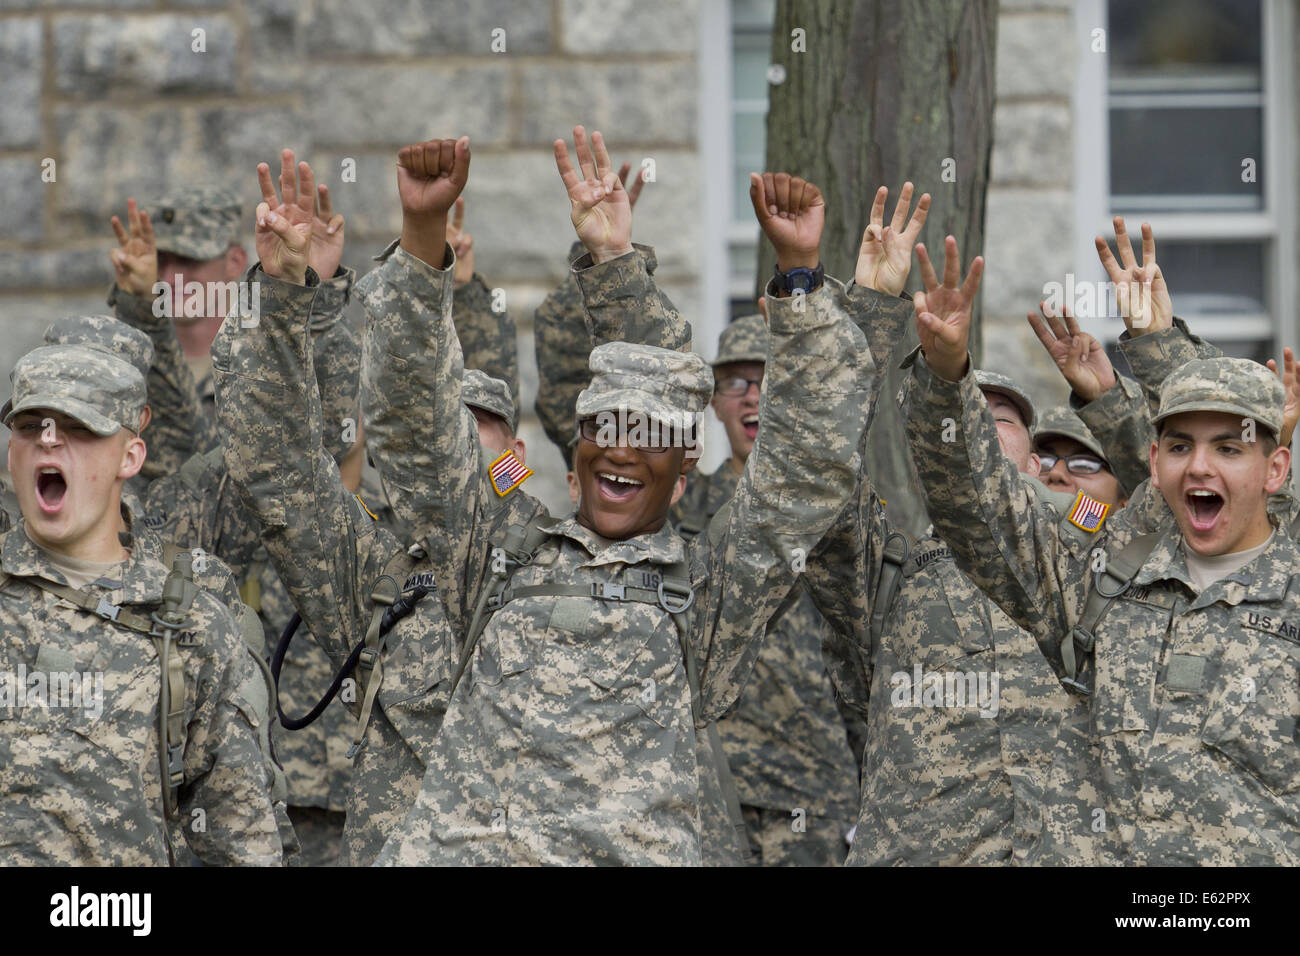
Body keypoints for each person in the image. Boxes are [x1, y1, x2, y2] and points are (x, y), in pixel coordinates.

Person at [297, 128, 870, 864]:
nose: (622, 445)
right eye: (604, 425)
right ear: (579, 445)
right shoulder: (498, 555)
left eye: (646, 432)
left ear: (683, 471)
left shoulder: (707, 593)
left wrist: (797, 279)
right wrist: (421, 233)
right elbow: (413, 427)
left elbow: (810, 463)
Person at [905, 231, 1300, 865]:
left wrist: (1159, 342)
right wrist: (945, 377)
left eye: (1229, 448)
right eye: (1178, 447)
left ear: (1275, 468)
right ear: (1151, 458)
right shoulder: (1104, 576)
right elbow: (973, 509)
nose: (1199, 468)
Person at [0, 336, 283, 865]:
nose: (49, 442)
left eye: (79, 428)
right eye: (27, 426)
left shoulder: (193, 627)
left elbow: (245, 842)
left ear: (130, 456)